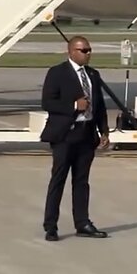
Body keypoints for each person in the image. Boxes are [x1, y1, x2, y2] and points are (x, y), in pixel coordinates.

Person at [40, 36, 110, 241]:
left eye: (89, 50)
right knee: (58, 179)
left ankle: (83, 223)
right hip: (65, 134)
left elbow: (100, 107)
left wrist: (104, 131)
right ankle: (51, 226)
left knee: (81, 181)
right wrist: (73, 105)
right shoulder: (57, 73)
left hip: (86, 134)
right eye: (84, 50)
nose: (88, 54)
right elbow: (47, 102)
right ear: (71, 51)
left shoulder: (93, 75)